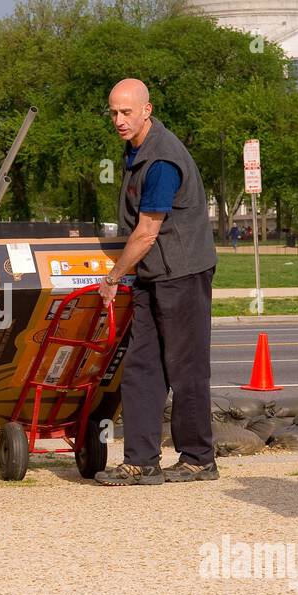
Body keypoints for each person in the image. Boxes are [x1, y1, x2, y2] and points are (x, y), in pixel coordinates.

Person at [95, 78, 218, 485]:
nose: (118, 120)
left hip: (182, 273)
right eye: (113, 112)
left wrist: (113, 277)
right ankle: (141, 461)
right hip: (153, 274)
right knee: (142, 368)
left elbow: (148, 231)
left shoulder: (161, 160)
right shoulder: (137, 151)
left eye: (126, 112)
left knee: (185, 369)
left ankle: (199, 458)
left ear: (146, 110)